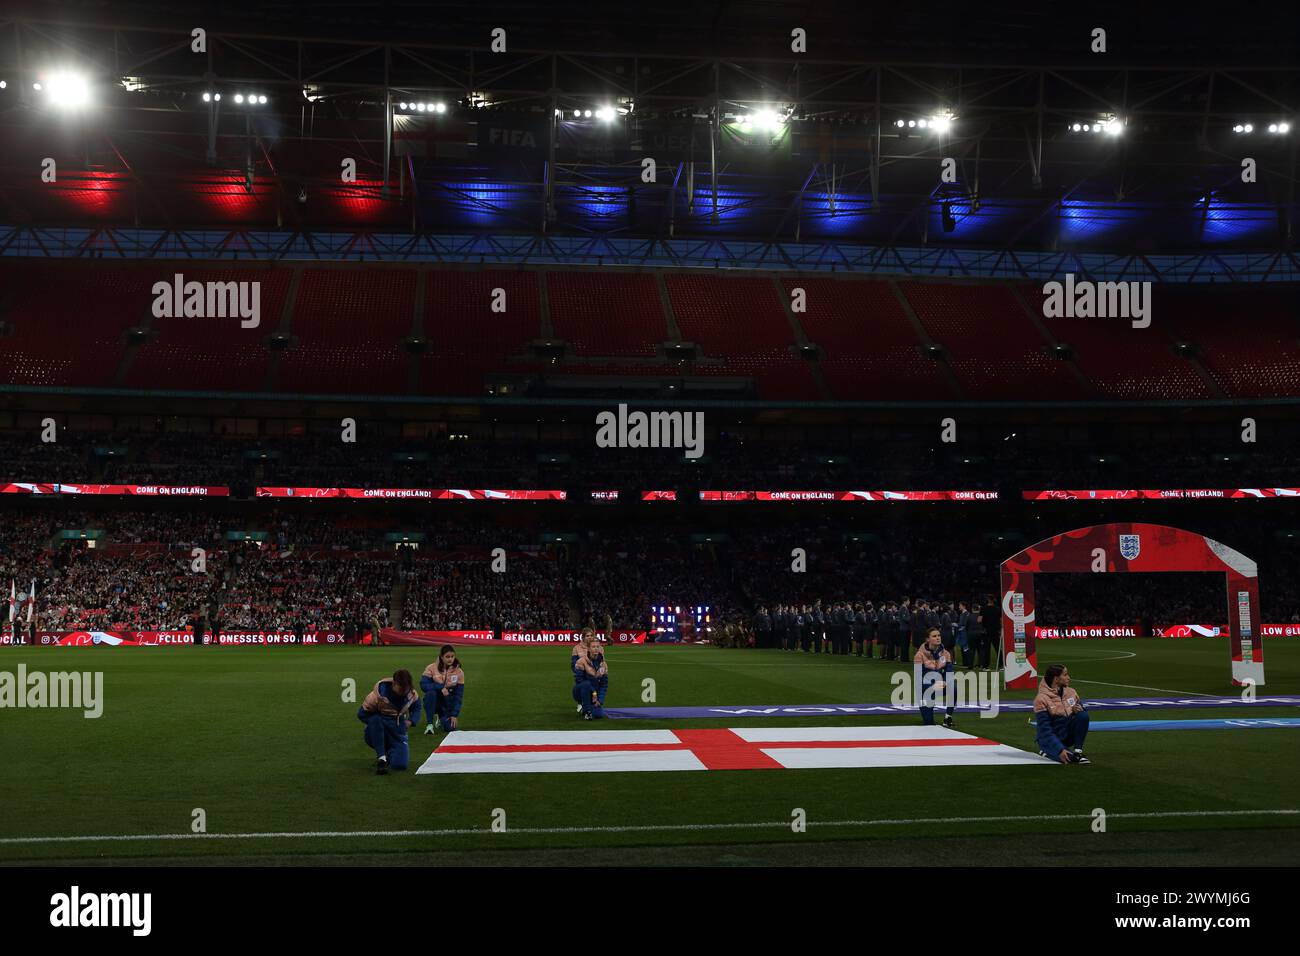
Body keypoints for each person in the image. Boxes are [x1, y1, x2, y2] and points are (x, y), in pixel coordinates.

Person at [358, 668, 421, 774]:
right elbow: (361, 714)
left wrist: (411, 721)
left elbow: (417, 707)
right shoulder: (377, 695)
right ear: (394, 684)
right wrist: (376, 724)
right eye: (401, 689)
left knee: (400, 765)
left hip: (398, 731)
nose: (404, 692)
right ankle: (381, 758)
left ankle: (388, 754)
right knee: (375, 719)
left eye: (406, 689)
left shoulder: (412, 694)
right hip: (378, 729)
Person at [1034, 664, 1090, 764]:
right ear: (1056, 679)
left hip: (1066, 735)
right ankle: (1047, 750)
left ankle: (1078, 752)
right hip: (1048, 739)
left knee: (1083, 715)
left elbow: (1083, 713)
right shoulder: (1041, 699)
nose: (1069, 677)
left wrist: (1080, 709)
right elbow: (1045, 730)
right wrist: (1059, 749)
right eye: (1065, 675)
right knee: (1070, 759)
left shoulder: (1071, 692)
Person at [913, 628, 955, 728]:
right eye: (934, 636)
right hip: (925, 689)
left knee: (953, 687)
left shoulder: (946, 654)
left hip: (940, 685)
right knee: (928, 723)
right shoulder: (919, 655)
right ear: (928, 639)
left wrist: (945, 682)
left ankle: (948, 717)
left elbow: (949, 671)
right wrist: (932, 686)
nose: (938, 638)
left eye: (939, 635)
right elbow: (918, 679)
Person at [421, 644, 466, 734]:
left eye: (452, 656)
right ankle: (430, 724)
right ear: (441, 657)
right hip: (435, 701)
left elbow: (458, 695)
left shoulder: (459, 672)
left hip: (447, 704)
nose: (450, 659)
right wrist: (440, 687)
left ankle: (441, 719)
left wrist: (454, 714)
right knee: (431, 693)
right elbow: (424, 685)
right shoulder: (431, 668)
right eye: (447, 657)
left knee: (451, 728)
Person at [573, 628, 607, 719]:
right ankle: (586, 710)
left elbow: (604, 684)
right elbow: (579, 679)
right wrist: (594, 692)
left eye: (597, 647)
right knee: (586, 684)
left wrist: (600, 700)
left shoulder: (603, 664)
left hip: (594, 692)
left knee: (598, 715)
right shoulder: (581, 661)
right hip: (581, 689)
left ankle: (590, 706)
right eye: (593, 647)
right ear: (588, 648)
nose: (596, 649)